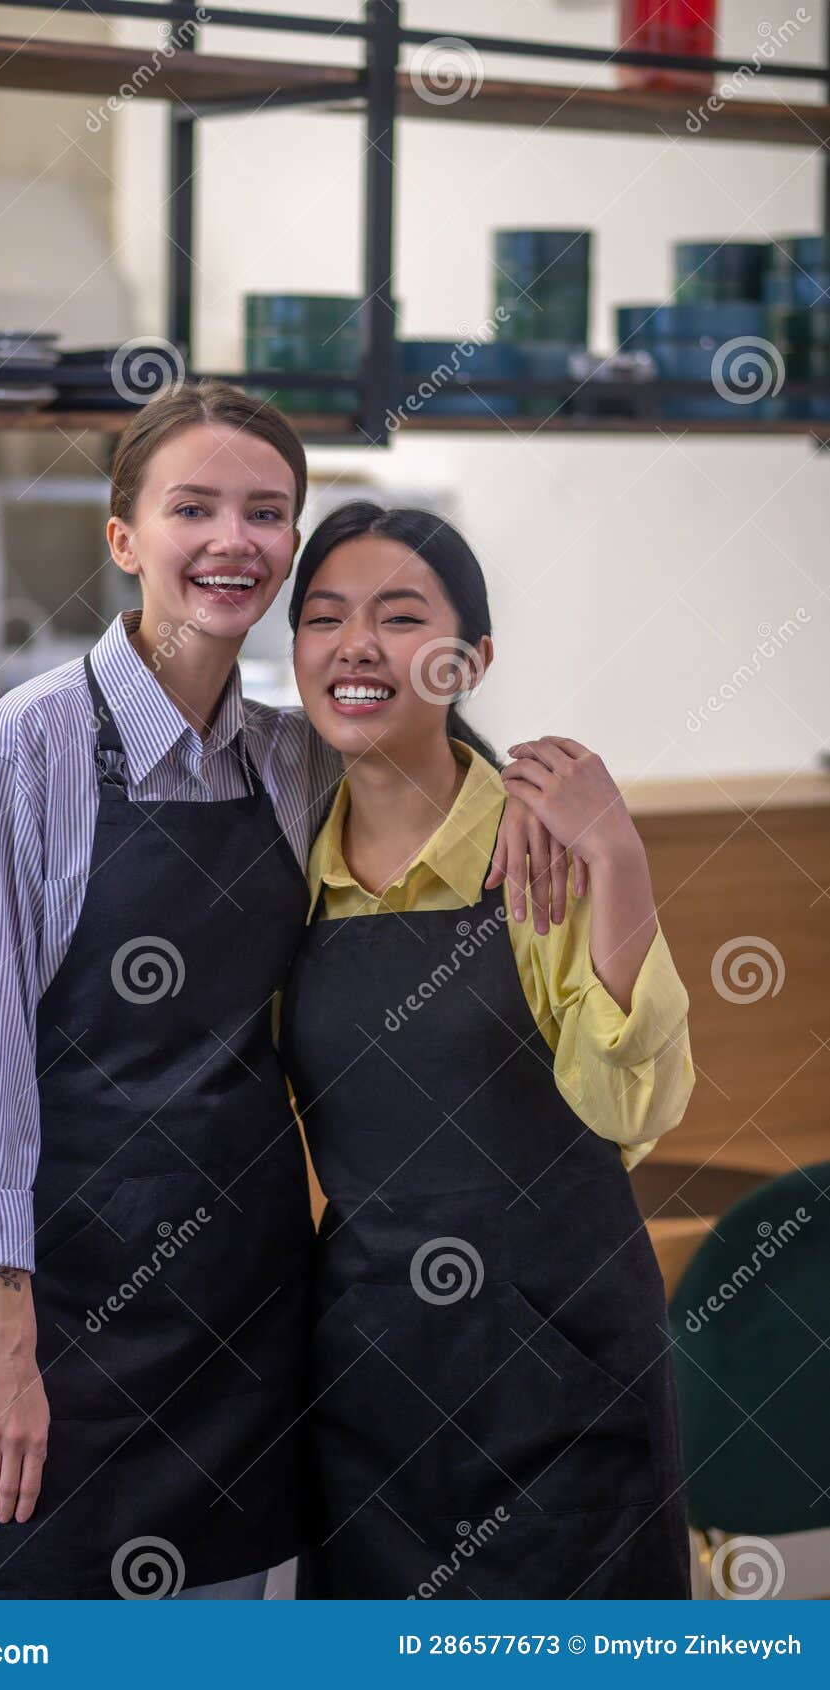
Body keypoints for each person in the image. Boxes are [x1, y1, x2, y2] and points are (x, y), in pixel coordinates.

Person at [0, 383, 568, 1600]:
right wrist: (4, 1342)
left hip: (250, 1304)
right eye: (194, 508)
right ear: (125, 540)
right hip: (66, 1317)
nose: (234, 541)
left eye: (267, 513)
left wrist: (541, 795)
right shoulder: (29, 747)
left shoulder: (293, 754)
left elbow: (426, 767)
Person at [278, 502, 695, 1599]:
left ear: (472, 659)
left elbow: (630, 1107)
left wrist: (620, 857)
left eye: (401, 617)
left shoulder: (543, 858)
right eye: (324, 618)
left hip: (561, 1375)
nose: (357, 645)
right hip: (372, 1383)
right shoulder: (284, 873)